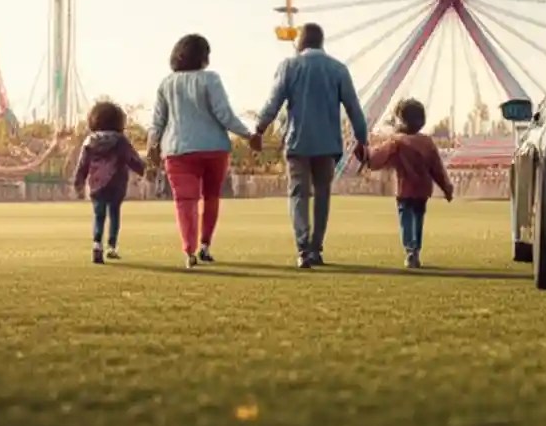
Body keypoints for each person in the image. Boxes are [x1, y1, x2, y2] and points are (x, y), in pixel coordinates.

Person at [253, 23, 367, 269]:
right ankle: (317, 247)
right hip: (327, 144)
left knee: (298, 194)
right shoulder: (338, 69)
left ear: (300, 42)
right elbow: (354, 107)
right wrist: (362, 139)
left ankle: (303, 247)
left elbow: (273, 102)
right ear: (321, 42)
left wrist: (259, 129)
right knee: (322, 194)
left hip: (298, 142)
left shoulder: (289, 66)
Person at [149, 34, 253, 269]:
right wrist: (248, 135)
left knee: (185, 201)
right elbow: (225, 115)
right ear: (204, 57)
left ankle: (189, 250)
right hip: (214, 148)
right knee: (211, 197)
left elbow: (157, 122)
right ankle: (205, 245)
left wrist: (151, 147)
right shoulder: (211, 80)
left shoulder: (166, 84)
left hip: (177, 150)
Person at [364, 98, 453, 269]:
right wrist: (446, 188)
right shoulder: (427, 143)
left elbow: (376, 159)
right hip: (423, 190)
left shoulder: (397, 141)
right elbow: (437, 169)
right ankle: (416, 249)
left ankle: (410, 249)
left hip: (404, 190)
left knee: (406, 219)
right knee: (418, 219)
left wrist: (364, 153)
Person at [73, 101, 145, 265]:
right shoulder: (120, 141)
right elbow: (132, 159)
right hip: (117, 183)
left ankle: (97, 244)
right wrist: (145, 171)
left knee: (99, 215)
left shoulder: (89, 141)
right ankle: (112, 247)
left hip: (96, 184)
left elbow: (82, 164)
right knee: (114, 214)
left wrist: (78, 183)